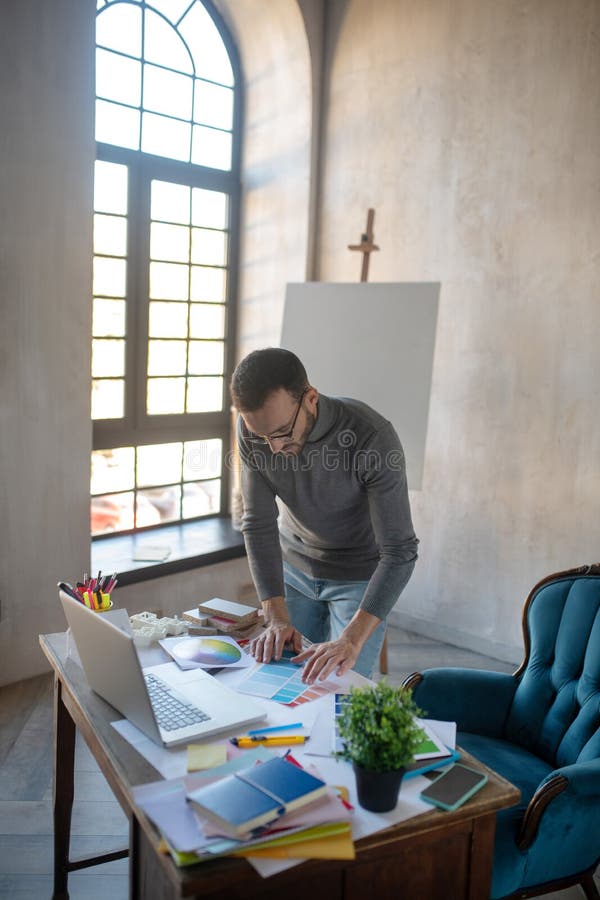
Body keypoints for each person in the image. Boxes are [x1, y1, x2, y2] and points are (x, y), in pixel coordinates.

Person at [230, 347, 418, 683]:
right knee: (279, 681)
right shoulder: (254, 433)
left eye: (283, 431)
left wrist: (351, 638)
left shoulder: (372, 437)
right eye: (262, 436)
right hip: (294, 568)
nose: (274, 448)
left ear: (311, 399)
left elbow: (400, 551)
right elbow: (257, 524)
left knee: (338, 687)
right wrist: (274, 616)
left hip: (357, 577)